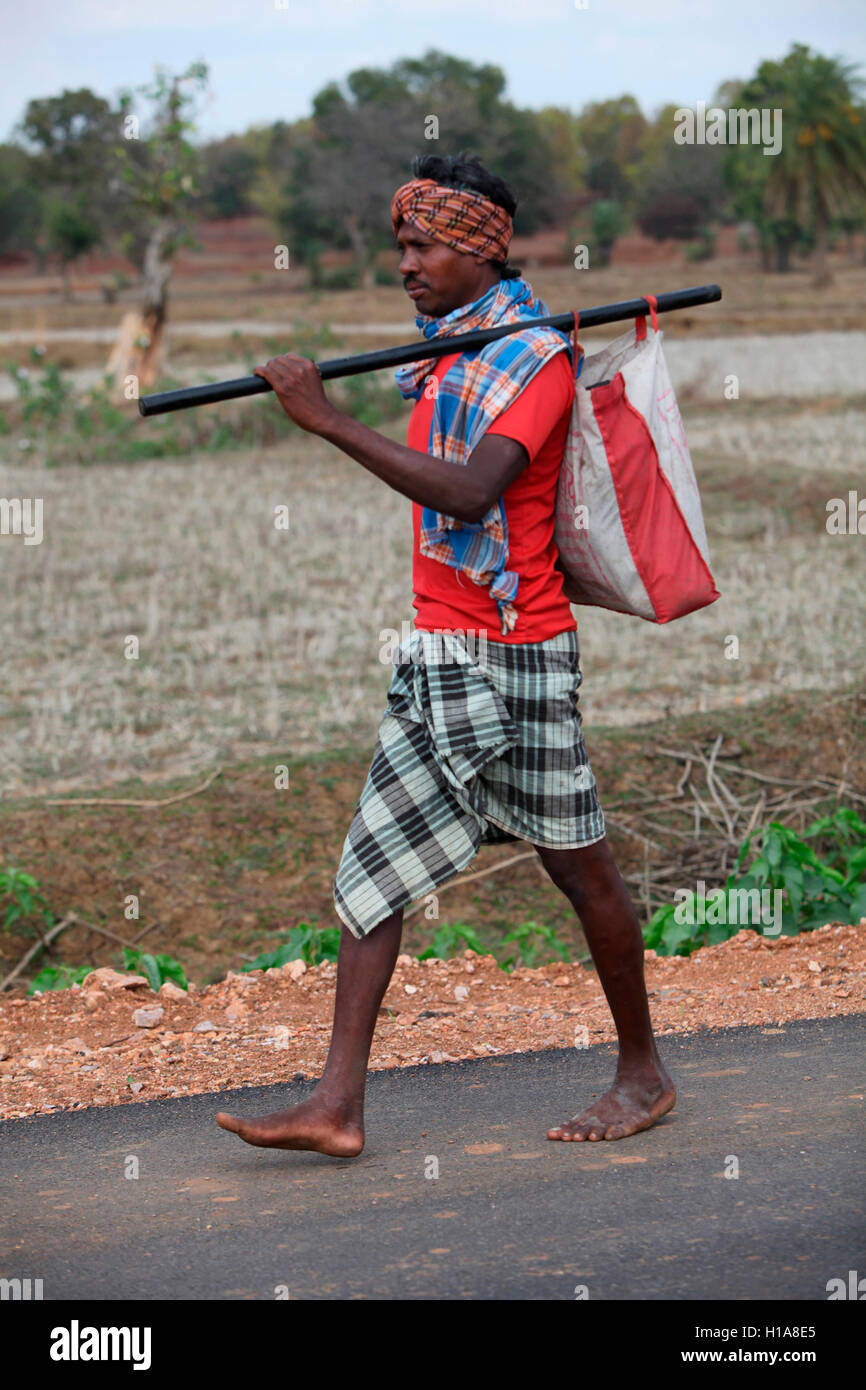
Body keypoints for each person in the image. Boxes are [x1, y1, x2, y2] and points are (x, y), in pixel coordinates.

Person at [216, 152, 675, 1156]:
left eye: (420, 245)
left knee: (579, 871)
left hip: (514, 660)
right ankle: (337, 1104)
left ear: (476, 248)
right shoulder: (453, 353)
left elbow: (470, 491)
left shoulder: (533, 360)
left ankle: (640, 1073)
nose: (404, 265)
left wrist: (326, 420)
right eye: (399, 246)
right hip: (441, 654)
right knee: (373, 868)